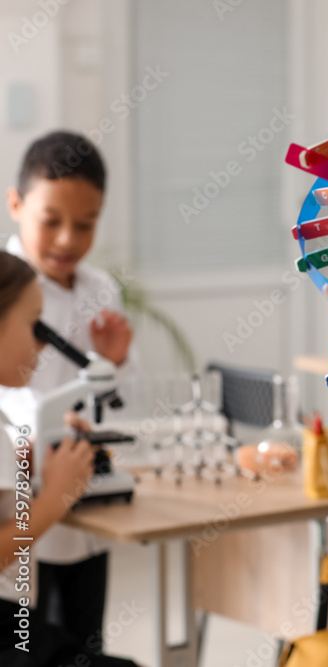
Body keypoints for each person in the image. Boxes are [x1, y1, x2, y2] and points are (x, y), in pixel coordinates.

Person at [1, 132, 134, 655]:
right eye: (50, 220)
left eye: (85, 224)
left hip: (60, 490)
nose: (66, 240)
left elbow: (119, 394)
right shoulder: (11, 286)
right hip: (34, 508)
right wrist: (49, 493)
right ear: (16, 204)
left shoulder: (99, 290)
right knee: (29, 633)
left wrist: (115, 361)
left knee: (75, 640)